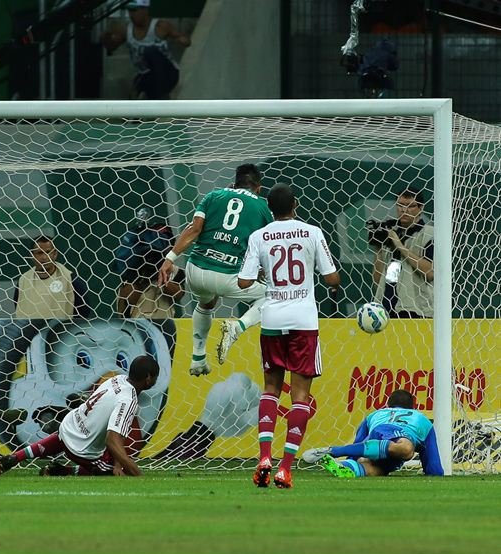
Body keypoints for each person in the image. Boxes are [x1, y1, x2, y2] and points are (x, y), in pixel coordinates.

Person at [238, 183, 341, 489]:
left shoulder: (259, 236)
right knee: (300, 395)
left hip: (272, 319)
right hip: (303, 321)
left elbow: (243, 282)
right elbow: (332, 277)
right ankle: (284, 467)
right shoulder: (312, 231)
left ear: (270, 208)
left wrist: (265, 274)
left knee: (270, 388)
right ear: (295, 204)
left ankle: (264, 457)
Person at [159, 163, 273, 376]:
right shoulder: (262, 207)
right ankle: (237, 327)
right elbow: (264, 246)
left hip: (195, 271)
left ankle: (198, 358)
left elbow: (194, 229)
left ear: (234, 183)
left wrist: (170, 258)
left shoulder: (213, 196)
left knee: (206, 301)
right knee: (273, 295)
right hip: (227, 276)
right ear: (258, 188)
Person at [0, 355, 159, 477]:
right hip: (81, 449)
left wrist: (119, 462)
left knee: (68, 439)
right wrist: (135, 473)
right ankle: (63, 471)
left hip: (69, 425)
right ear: (149, 378)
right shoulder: (128, 400)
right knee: (107, 471)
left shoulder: (117, 379)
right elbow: (112, 440)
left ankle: (17, 457)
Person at [301, 389, 444, 477]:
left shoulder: (374, 414)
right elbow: (434, 466)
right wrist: (434, 473)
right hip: (397, 436)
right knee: (406, 450)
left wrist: (352, 460)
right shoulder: (421, 418)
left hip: (376, 434)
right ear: (413, 407)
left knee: (378, 470)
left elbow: (359, 442)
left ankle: (348, 469)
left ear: (388, 405)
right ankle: (334, 450)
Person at [101, 0, 191, 99]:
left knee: (150, 51)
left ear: (145, 10)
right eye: (129, 11)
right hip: (146, 75)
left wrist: (182, 40)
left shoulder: (160, 26)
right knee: (136, 88)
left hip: (168, 73)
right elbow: (111, 47)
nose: (131, 14)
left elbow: (185, 40)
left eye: (134, 10)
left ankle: (161, 94)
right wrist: (107, 39)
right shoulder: (127, 30)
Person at [371, 188, 433, 318]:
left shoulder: (429, 234)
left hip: (416, 310)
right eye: (400, 205)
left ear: (421, 208)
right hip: (385, 310)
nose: (404, 210)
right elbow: (378, 280)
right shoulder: (392, 233)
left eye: (410, 206)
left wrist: (399, 245)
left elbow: (430, 273)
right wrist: (379, 249)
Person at [13, 236, 90, 319]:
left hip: (61, 330)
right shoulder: (24, 280)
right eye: (39, 253)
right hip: (31, 331)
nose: (44, 257)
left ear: (55, 254)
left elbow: (84, 311)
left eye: (48, 252)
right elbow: (18, 304)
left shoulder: (70, 279)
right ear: (31, 255)